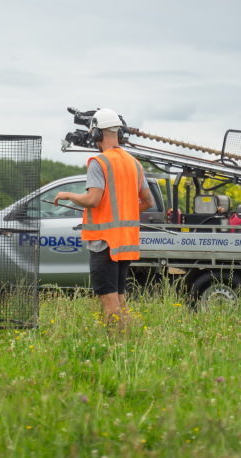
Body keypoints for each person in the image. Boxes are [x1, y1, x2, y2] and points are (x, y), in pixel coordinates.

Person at [55, 109, 154, 331]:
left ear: (98, 134)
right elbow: (147, 201)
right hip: (124, 244)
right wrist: (125, 213)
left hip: (104, 244)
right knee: (120, 300)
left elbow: (92, 199)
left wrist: (67, 195)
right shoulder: (134, 163)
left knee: (109, 304)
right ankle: (131, 341)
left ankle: (117, 348)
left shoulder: (99, 162)